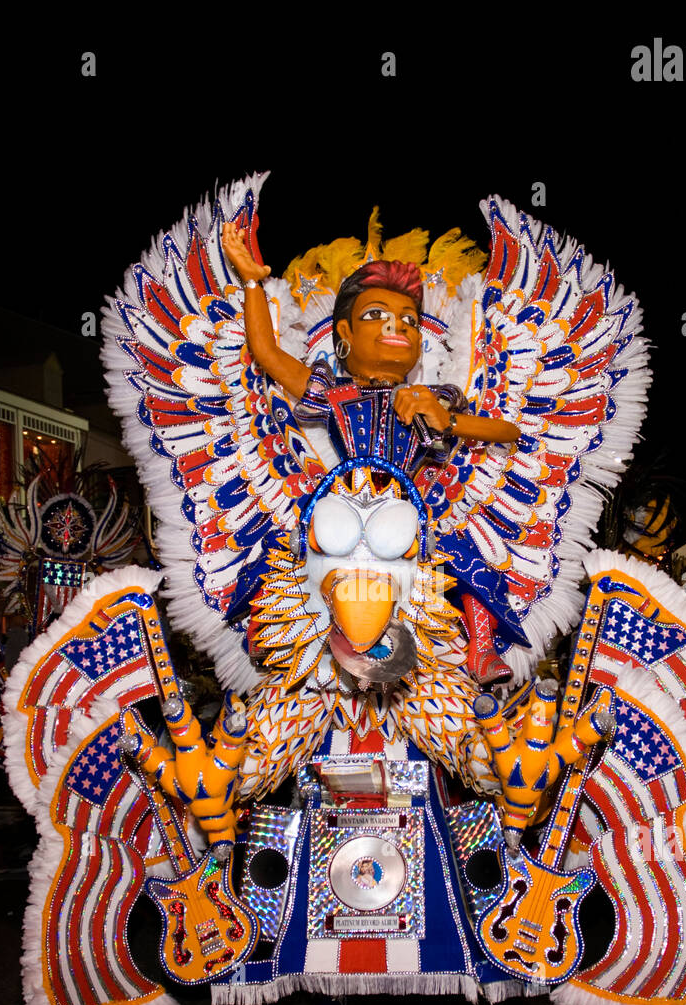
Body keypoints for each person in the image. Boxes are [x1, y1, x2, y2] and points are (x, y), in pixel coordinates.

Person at [221, 225, 521, 684]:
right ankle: (268, 633)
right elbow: (265, 352)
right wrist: (251, 282)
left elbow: (507, 430)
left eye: (410, 320)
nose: (396, 327)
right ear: (343, 333)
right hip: (342, 503)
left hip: (407, 513)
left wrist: (446, 420)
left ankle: (480, 650)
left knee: (465, 558)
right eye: (376, 314)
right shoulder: (332, 394)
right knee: (281, 551)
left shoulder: (433, 397)